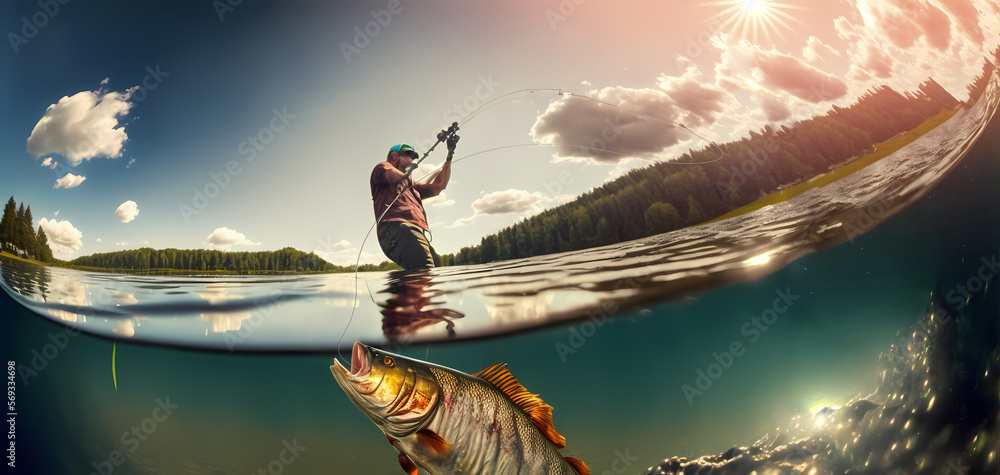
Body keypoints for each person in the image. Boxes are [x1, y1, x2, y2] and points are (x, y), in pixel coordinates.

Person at [370, 134, 459, 270]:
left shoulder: (411, 185)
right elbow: (389, 175)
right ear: (394, 156)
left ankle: (405, 291)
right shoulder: (382, 167)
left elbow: (438, 186)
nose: (413, 158)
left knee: (437, 266)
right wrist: (406, 174)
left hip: (415, 231)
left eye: (414, 156)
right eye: (408, 154)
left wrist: (450, 155)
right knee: (425, 269)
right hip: (395, 229)